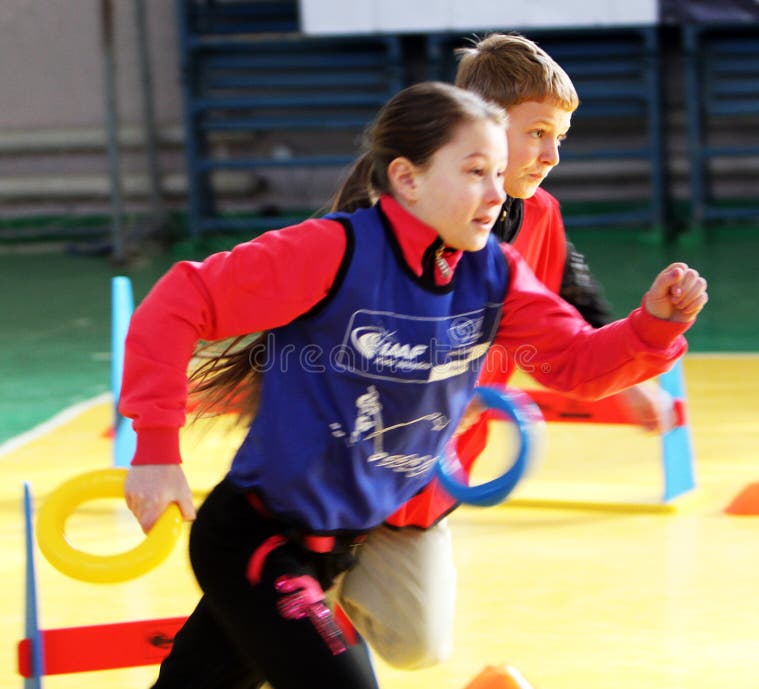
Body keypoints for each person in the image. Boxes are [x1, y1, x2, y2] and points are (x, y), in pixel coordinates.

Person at [122, 81, 707, 689]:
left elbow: (577, 364)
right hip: (257, 540)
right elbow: (178, 301)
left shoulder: (494, 272)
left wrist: (654, 326)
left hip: (333, 550)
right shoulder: (334, 252)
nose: (494, 193)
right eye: (475, 171)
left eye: (498, 172)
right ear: (407, 179)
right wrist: (157, 448)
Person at [334, 34, 679, 671]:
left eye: (561, 139)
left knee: (416, 644)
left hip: (431, 472)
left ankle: (308, 617)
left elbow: (568, 296)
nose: (551, 155)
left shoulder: (539, 215)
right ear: (483, 122)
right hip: (343, 456)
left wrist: (627, 369)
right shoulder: (404, 206)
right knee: (279, 620)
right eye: (538, 132)